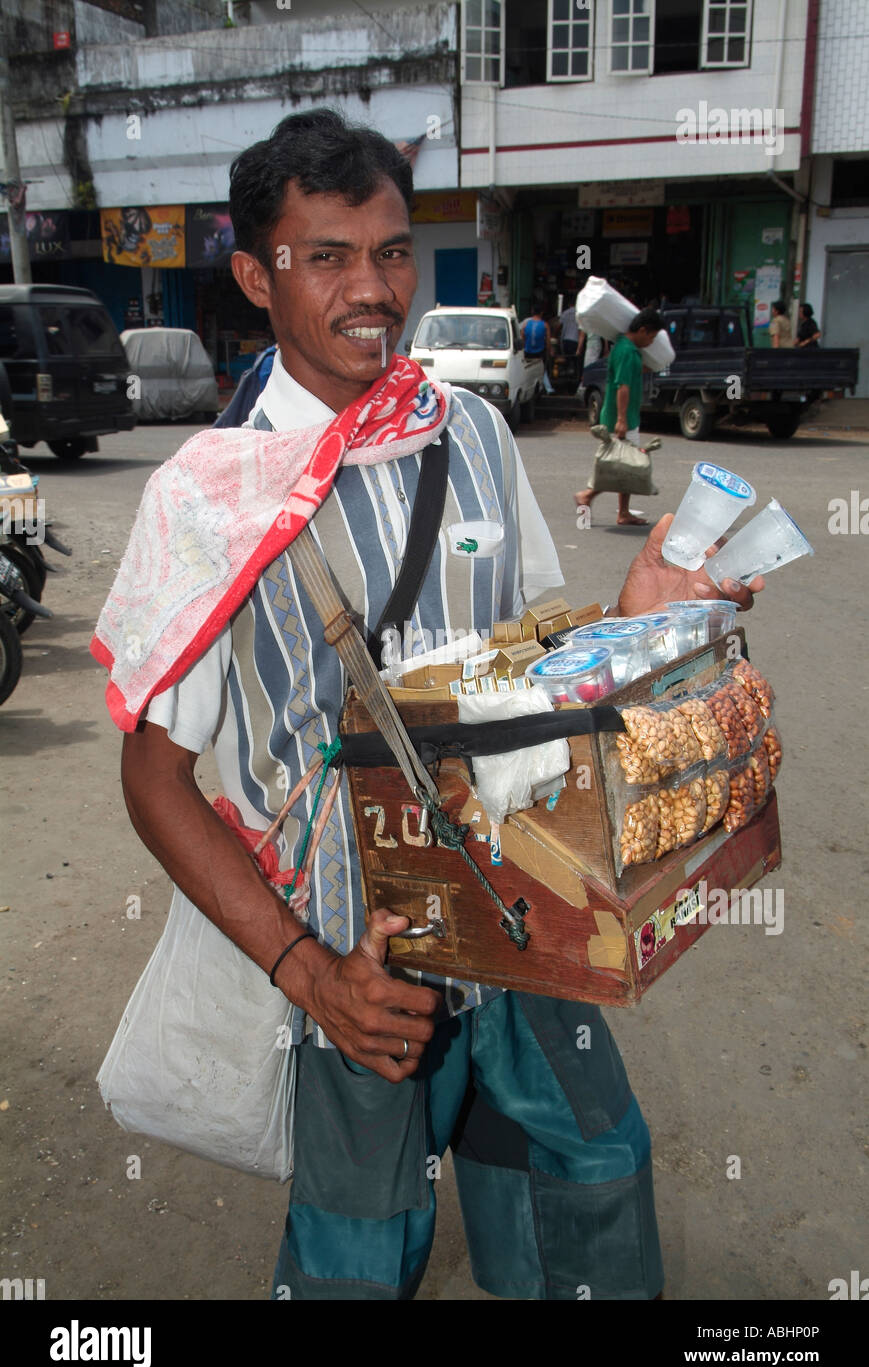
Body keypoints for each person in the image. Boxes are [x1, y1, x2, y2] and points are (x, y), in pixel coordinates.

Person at [93, 109, 763, 1302]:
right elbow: (154, 779)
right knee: (359, 1259)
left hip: (521, 927)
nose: (371, 288)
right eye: (327, 256)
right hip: (358, 979)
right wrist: (307, 974)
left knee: (591, 1188)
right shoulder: (205, 501)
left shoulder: (474, 434)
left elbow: (543, 677)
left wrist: (642, 608)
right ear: (258, 274)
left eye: (391, 250)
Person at [574, 308, 664, 527]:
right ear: (642, 330)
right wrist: (621, 420)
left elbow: (629, 376)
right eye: (651, 337)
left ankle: (623, 512)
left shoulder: (627, 349)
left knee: (624, 462)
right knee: (623, 464)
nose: (651, 342)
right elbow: (622, 387)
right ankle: (587, 495)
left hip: (626, 415)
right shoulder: (626, 351)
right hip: (621, 417)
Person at [522, 305, 555, 393]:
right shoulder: (545, 325)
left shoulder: (526, 324)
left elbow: (523, 338)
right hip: (540, 352)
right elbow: (548, 341)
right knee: (542, 370)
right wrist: (550, 350)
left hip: (528, 352)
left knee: (528, 370)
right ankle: (546, 388)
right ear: (541, 313)